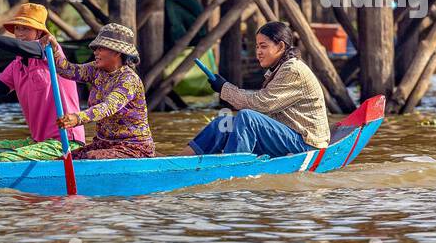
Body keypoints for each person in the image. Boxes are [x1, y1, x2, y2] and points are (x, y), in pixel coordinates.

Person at [0, 3, 85, 161]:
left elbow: (21, 47)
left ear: (39, 32)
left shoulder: (51, 52)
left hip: (66, 141)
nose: (20, 33)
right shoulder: (16, 66)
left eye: (26, 28)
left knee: (2, 160)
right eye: (17, 29)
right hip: (38, 141)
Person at [183, 20, 330, 157]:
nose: (258, 52)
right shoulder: (278, 69)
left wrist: (224, 89)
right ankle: (179, 160)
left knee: (247, 118)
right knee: (223, 123)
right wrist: (224, 89)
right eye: (257, 46)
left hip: (307, 144)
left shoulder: (292, 70)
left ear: (280, 46)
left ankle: (233, 167)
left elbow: (261, 105)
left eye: (264, 46)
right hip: (289, 136)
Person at [48, 22, 155, 160]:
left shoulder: (129, 80)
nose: (95, 52)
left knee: (90, 158)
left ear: (117, 52)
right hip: (103, 144)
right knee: (64, 159)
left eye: (101, 48)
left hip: (133, 149)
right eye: (96, 48)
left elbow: (108, 107)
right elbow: (67, 70)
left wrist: (78, 117)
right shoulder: (96, 70)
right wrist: (55, 47)